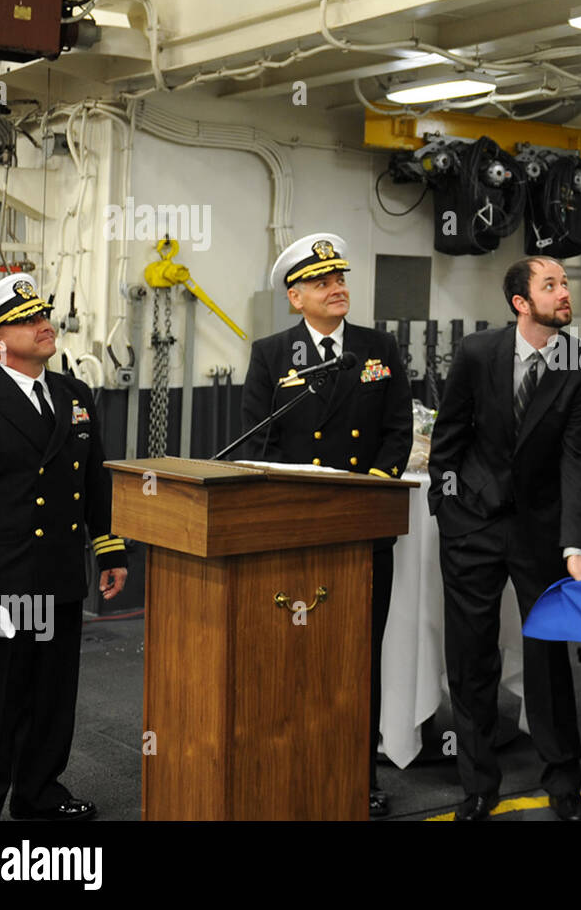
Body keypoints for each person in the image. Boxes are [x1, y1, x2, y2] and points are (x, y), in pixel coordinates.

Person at [239, 234, 412, 819]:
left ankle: (357, 777)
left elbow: (396, 430)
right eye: (320, 282)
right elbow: (256, 441)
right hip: (294, 533)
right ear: (295, 298)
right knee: (293, 658)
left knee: (358, 657)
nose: (336, 288)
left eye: (339, 278)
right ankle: (291, 765)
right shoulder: (270, 354)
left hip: (361, 530)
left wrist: (375, 489)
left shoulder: (378, 345)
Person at [429, 257, 581, 821]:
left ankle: (564, 783)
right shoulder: (479, 353)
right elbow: (450, 437)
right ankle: (479, 785)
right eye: (549, 284)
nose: (564, 291)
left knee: (547, 656)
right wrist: (447, 509)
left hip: (541, 530)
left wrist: (574, 545)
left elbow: (580, 460)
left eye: (565, 282)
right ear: (520, 303)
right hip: (473, 522)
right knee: (471, 655)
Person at [0, 274, 127, 822]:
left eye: (43, 313)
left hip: (56, 576)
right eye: (27, 319)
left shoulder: (74, 396)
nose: (43, 323)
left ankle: (39, 794)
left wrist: (110, 548)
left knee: (52, 695)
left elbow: (94, 478)